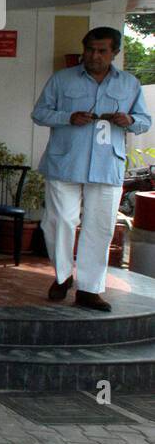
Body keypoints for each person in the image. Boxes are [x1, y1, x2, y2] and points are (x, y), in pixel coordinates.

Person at [31, 27, 150, 311]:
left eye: (102, 51)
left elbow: (144, 121)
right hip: (65, 161)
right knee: (59, 221)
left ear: (115, 53)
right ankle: (62, 276)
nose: (95, 56)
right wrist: (67, 117)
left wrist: (128, 119)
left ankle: (89, 289)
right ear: (84, 50)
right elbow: (39, 113)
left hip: (107, 164)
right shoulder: (62, 79)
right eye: (90, 50)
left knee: (100, 227)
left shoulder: (130, 84)